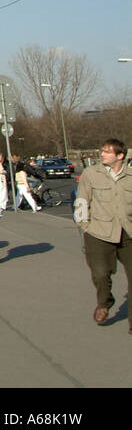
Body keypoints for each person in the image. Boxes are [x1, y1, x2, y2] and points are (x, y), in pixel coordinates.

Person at [76, 138, 132, 329]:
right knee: (101, 274)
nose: (103, 154)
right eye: (102, 151)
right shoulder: (91, 173)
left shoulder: (131, 175)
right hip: (99, 232)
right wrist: (83, 225)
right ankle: (104, 302)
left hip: (128, 233)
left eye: (108, 152)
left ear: (120, 156)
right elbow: (82, 199)